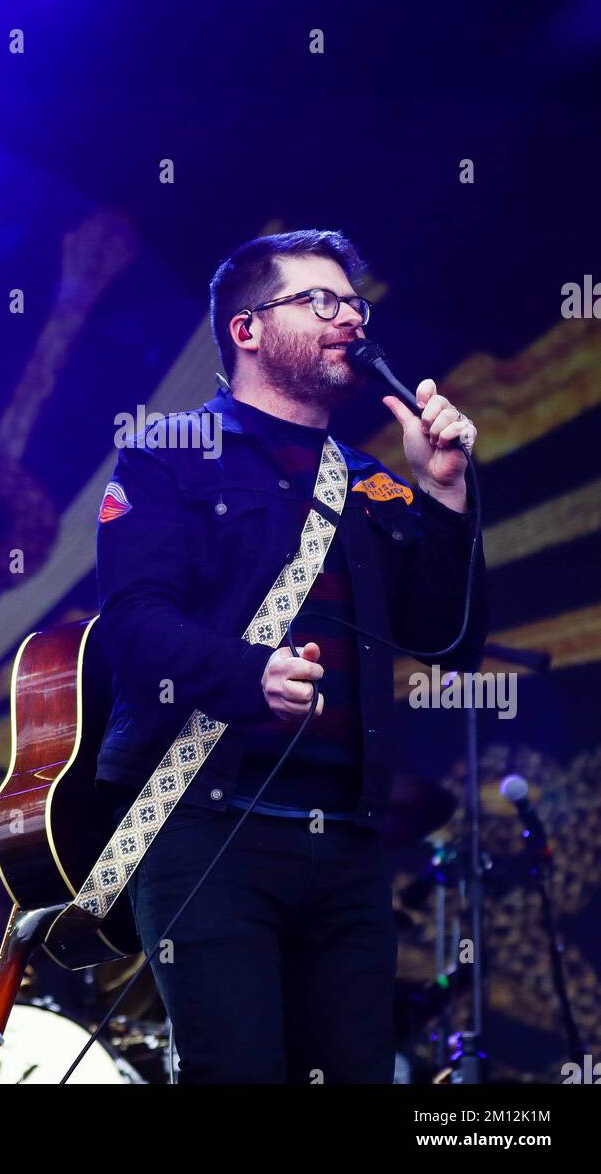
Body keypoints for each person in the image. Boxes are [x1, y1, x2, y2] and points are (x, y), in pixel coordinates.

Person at [94, 230, 487, 1084]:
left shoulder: (371, 481)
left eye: (354, 303)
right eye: (321, 300)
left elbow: (446, 635)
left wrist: (445, 492)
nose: (348, 316)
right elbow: (131, 623)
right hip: (207, 822)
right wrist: (250, 677)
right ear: (248, 329)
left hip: (348, 839)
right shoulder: (168, 453)